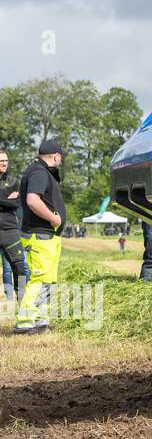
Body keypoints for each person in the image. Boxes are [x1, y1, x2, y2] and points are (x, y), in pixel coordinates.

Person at [15, 139, 67, 334]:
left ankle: (40, 321)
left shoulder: (41, 171)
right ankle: (26, 321)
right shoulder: (39, 172)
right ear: (56, 156)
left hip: (47, 236)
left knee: (48, 279)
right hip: (40, 234)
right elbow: (32, 200)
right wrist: (53, 219)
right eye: (60, 157)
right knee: (39, 279)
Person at [1, 151, 28, 306]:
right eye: (1, 161)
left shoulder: (12, 182)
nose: (4, 163)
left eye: (6, 160)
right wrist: (5, 199)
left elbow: (15, 204)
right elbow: (8, 202)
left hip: (10, 231)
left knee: (19, 269)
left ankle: (23, 306)